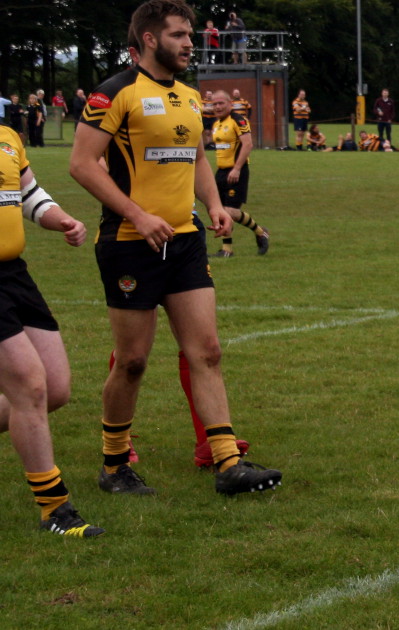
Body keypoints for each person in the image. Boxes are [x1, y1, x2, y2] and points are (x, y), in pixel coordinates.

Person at [69, 0, 282, 496]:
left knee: (206, 351)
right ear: (149, 39)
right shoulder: (112, 94)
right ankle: (115, 464)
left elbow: (199, 160)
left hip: (185, 243)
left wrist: (213, 206)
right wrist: (137, 215)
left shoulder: (189, 96)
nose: (191, 43)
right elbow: (81, 165)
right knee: (133, 361)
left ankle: (228, 464)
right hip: (128, 244)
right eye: (180, 35)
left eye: (190, 34)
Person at [0, 122, 104, 537]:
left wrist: (61, 219)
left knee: (55, 389)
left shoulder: (8, 136)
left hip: (13, 275)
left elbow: (27, 195)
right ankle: (54, 509)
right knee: (30, 385)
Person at [208, 89, 271, 257]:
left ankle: (260, 232)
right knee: (220, 211)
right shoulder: (216, 124)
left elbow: (248, 144)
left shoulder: (238, 120)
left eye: (221, 103)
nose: (218, 107)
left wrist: (236, 168)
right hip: (221, 171)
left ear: (230, 104)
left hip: (237, 170)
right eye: (215, 104)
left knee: (230, 211)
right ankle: (227, 250)